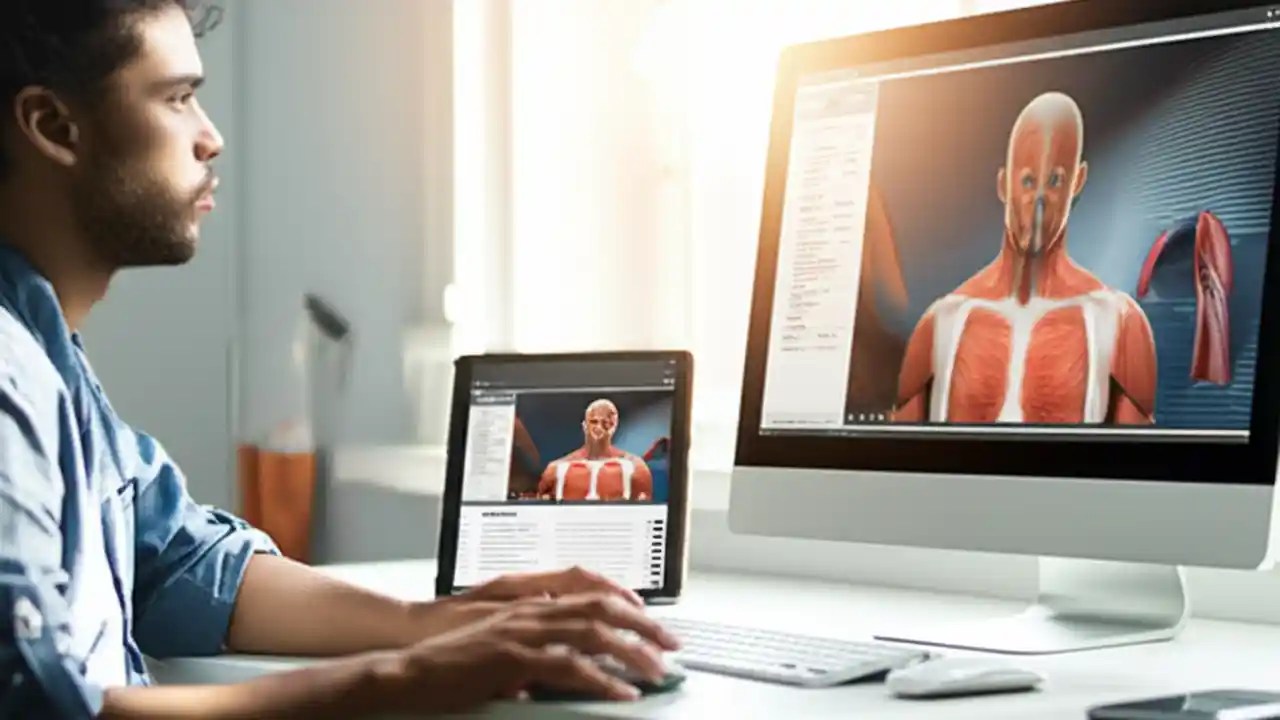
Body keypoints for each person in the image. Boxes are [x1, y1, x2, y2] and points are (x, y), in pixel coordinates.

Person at [0, 2, 679, 717]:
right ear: (53, 126)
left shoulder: (50, 360)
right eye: (176, 98)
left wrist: (437, 623)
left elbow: (180, 563)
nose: (211, 137)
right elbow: (39, 703)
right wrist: (399, 680)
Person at [893, 91, 1158, 425]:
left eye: (1055, 181)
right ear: (1004, 185)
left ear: (1077, 182)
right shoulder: (941, 321)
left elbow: (1136, 471)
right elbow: (897, 466)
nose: (1040, 201)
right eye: (1029, 181)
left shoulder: (1119, 323)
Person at [537, 399, 654, 502]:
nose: (599, 428)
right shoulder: (556, 469)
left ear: (614, 427)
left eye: (606, 423)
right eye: (594, 422)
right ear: (584, 425)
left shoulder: (635, 468)